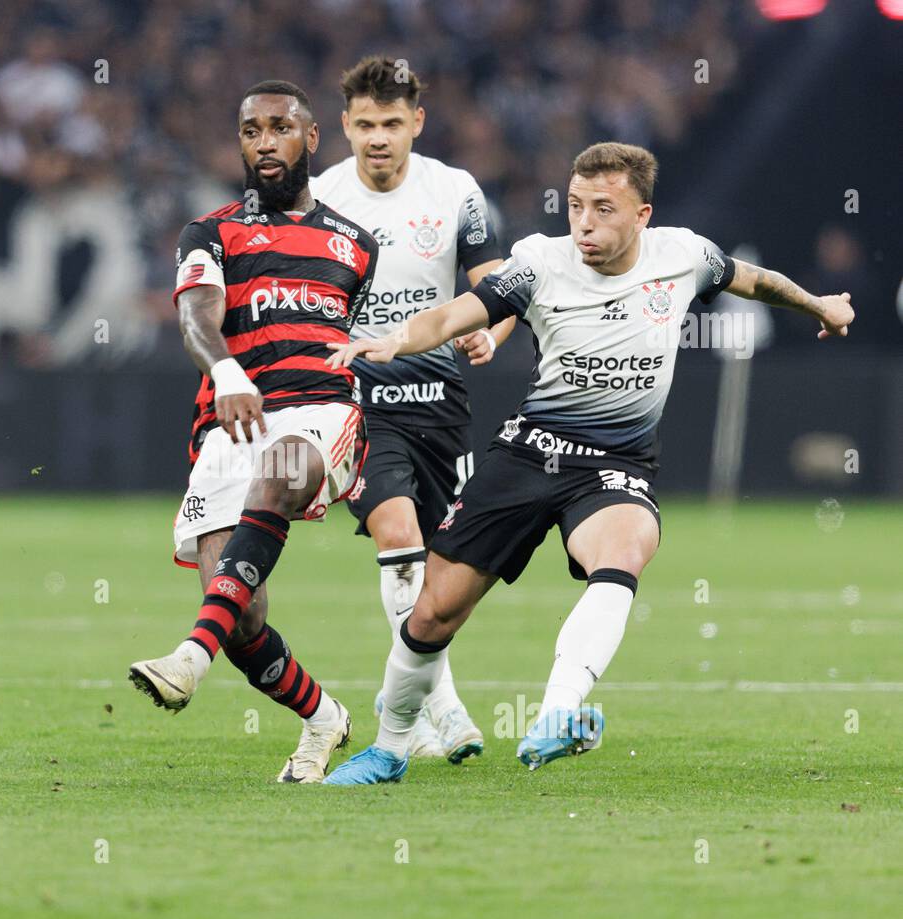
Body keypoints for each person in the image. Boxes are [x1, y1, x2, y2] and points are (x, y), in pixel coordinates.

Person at [322, 142, 854, 784]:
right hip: (528, 454)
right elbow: (461, 310)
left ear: (642, 215)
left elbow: (753, 279)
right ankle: (388, 747)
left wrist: (820, 304)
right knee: (434, 611)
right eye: (576, 206)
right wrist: (397, 339)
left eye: (604, 209)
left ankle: (556, 714)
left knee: (627, 547)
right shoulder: (540, 263)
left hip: (616, 463)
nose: (585, 223)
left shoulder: (682, 255)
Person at [128, 80, 379, 783]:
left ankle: (188, 659)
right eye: (250, 131)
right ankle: (324, 716)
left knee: (288, 468)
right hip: (231, 420)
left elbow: (343, 337)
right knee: (241, 618)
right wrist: (230, 373)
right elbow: (195, 319)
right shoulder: (209, 233)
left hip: (321, 412)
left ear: (312, 137)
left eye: (280, 127)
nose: (265, 142)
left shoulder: (357, 245)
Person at [311, 55, 515, 764]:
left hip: (441, 404)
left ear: (416, 122)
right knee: (396, 531)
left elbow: (497, 285)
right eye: (364, 123)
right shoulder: (319, 198)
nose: (377, 137)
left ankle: (427, 700)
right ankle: (440, 708)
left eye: (391, 123)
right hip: (357, 406)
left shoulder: (454, 191)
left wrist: (492, 331)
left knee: (437, 569)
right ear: (343, 125)